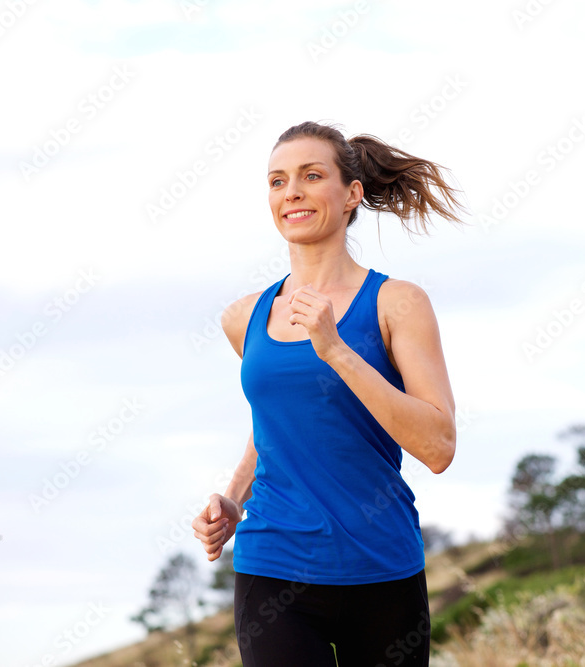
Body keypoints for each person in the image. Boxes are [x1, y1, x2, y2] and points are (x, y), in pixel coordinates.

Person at [191, 120, 466, 666]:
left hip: (382, 567)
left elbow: (438, 446)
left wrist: (336, 349)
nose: (291, 190)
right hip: (274, 562)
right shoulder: (244, 317)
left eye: (311, 175)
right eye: (277, 180)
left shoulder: (397, 304)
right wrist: (233, 498)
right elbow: (279, 420)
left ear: (351, 194)